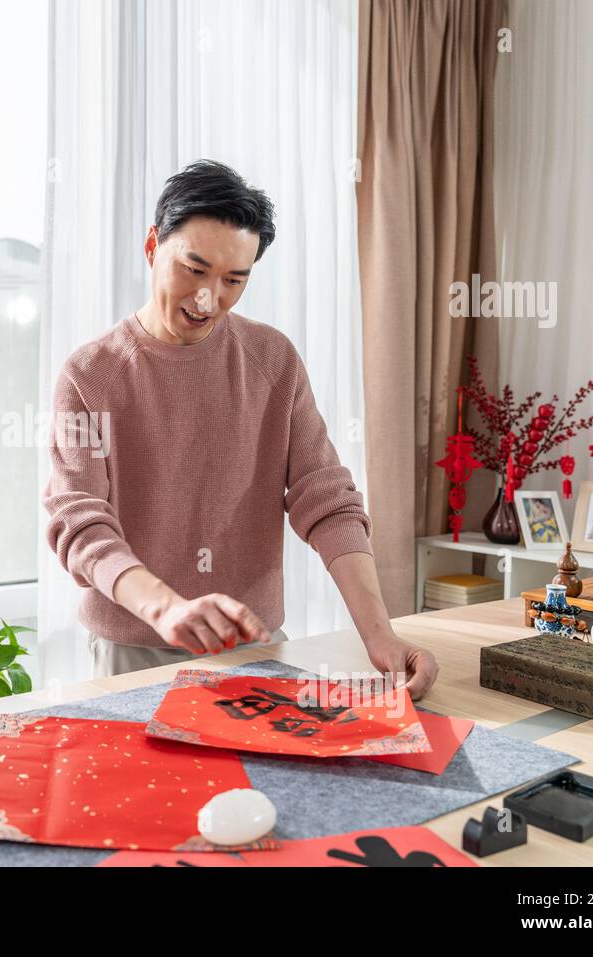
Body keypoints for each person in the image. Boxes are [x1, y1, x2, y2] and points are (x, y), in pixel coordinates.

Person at [42, 160, 438, 698]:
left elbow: (327, 501)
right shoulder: (91, 374)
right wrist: (167, 607)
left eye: (234, 280)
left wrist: (381, 638)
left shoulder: (272, 360)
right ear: (152, 246)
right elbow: (79, 522)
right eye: (194, 269)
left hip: (257, 648)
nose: (210, 298)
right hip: (131, 653)